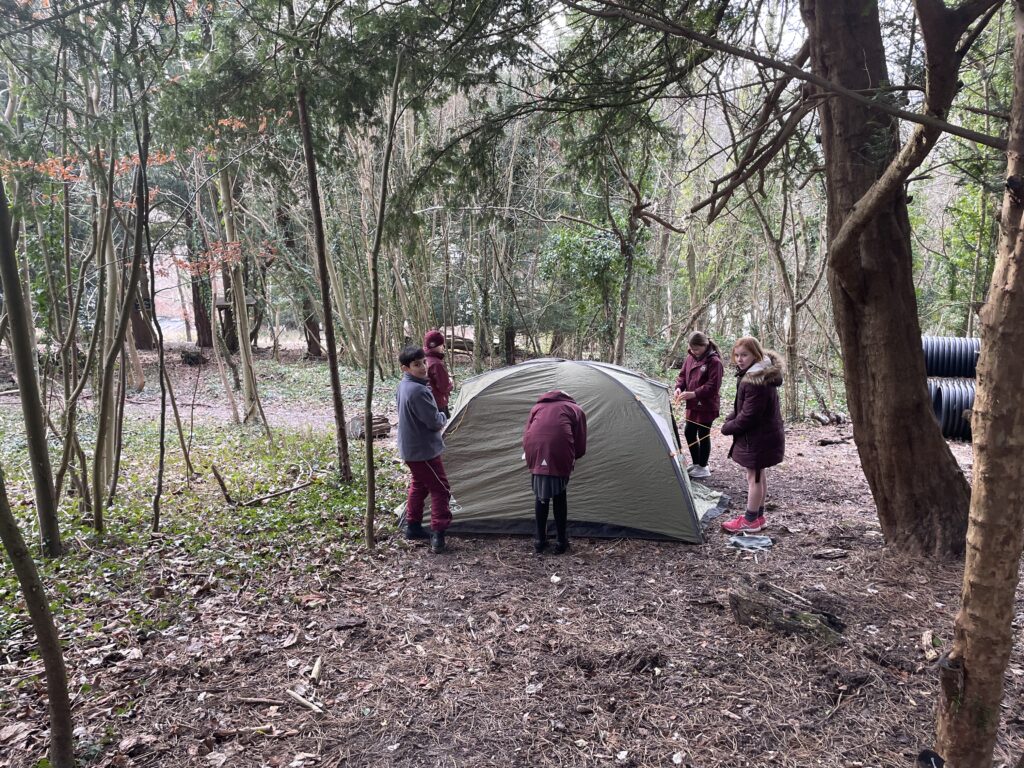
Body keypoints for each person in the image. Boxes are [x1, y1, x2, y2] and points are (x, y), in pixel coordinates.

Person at [719, 336, 785, 533]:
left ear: (755, 355)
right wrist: (730, 418)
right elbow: (743, 407)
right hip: (762, 436)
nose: (739, 359)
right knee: (758, 476)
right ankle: (758, 516)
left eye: (744, 355)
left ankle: (750, 520)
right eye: (737, 355)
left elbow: (749, 416)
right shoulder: (755, 374)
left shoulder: (756, 379)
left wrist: (728, 428)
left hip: (759, 438)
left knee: (753, 478)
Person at [396, 345, 451, 554]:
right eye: (417, 365)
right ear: (405, 368)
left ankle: (413, 526)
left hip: (410, 447)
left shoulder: (403, 386)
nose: (422, 368)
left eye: (424, 363)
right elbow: (434, 422)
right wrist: (444, 415)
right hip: (423, 450)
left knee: (419, 485)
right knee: (441, 489)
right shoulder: (418, 390)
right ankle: (438, 534)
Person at [522, 390, 587, 555]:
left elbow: (527, 435)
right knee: (560, 495)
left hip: (534, 449)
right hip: (560, 451)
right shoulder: (575, 409)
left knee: (540, 495)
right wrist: (573, 457)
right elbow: (580, 443)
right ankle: (560, 541)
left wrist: (531, 455)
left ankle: (539, 540)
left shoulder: (537, 407)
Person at [672, 331, 724, 479]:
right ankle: (696, 464)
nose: (694, 352)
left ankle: (703, 466)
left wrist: (694, 393)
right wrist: (679, 387)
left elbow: (713, 386)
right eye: (692, 348)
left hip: (707, 405)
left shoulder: (715, 362)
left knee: (702, 434)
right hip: (692, 404)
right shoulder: (690, 358)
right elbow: (682, 375)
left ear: (705, 345)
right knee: (689, 432)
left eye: (697, 349)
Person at [423, 329, 454, 419]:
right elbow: (444, 387)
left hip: (428, 400)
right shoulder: (437, 363)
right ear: (434, 346)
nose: (443, 348)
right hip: (438, 401)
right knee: (440, 426)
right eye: (441, 345)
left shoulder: (424, 358)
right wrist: (451, 382)